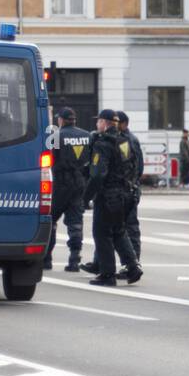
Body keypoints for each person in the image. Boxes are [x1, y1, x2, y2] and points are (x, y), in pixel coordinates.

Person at [81, 110, 140, 287]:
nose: (96, 125)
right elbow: (133, 165)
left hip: (108, 195)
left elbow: (98, 175)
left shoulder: (103, 143)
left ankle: (107, 274)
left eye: (98, 121)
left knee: (102, 233)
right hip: (126, 193)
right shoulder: (125, 141)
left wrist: (86, 198)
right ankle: (133, 267)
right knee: (118, 231)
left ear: (105, 123)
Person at [45, 107, 91, 272]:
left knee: (50, 220)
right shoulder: (87, 136)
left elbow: (48, 159)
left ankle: (46, 259)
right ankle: (74, 259)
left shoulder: (55, 136)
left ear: (61, 120)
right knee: (75, 222)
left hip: (59, 184)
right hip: (79, 184)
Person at [115, 111, 144, 282]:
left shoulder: (128, 140)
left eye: (116, 122)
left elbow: (136, 167)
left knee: (129, 227)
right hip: (130, 189)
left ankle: (133, 263)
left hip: (128, 190)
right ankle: (129, 263)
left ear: (123, 123)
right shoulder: (126, 139)